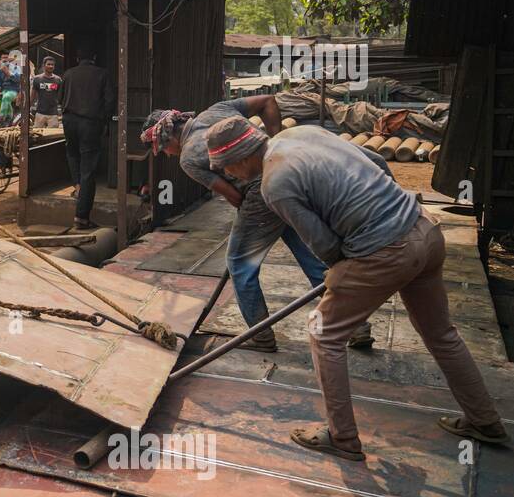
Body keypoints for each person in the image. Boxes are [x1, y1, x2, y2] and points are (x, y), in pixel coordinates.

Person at [206, 117, 509, 460]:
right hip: (424, 229)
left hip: (387, 251)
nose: (228, 174)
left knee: (324, 333)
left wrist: (346, 272)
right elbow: (377, 162)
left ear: (241, 157)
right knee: (441, 333)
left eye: (226, 166)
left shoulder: (274, 184)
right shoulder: (301, 133)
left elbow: (323, 246)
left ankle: (342, 438)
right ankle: (485, 421)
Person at [143, 99, 377, 353]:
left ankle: (261, 334)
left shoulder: (188, 157)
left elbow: (234, 195)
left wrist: (252, 217)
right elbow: (268, 101)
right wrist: (275, 144)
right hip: (284, 176)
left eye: (163, 149)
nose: (167, 154)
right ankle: (356, 326)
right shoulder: (218, 110)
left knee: (239, 264)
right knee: (310, 257)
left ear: (169, 139)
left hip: (260, 194)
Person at [58, 48, 113, 231]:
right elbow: (109, 102)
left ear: (77, 57)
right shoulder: (102, 74)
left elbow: (60, 99)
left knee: (72, 155)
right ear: (95, 57)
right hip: (89, 123)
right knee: (88, 168)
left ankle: (78, 185)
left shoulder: (68, 74)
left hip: (69, 121)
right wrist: (105, 121)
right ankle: (82, 217)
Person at [30, 56, 63, 127]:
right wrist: (27, 109)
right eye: (48, 64)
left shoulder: (58, 80)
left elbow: (61, 97)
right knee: (37, 135)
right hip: (40, 113)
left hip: (53, 114)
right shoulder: (37, 79)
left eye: (52, 64)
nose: (51, 66)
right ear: (44, 65)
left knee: (53, 136)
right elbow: (32, 96)